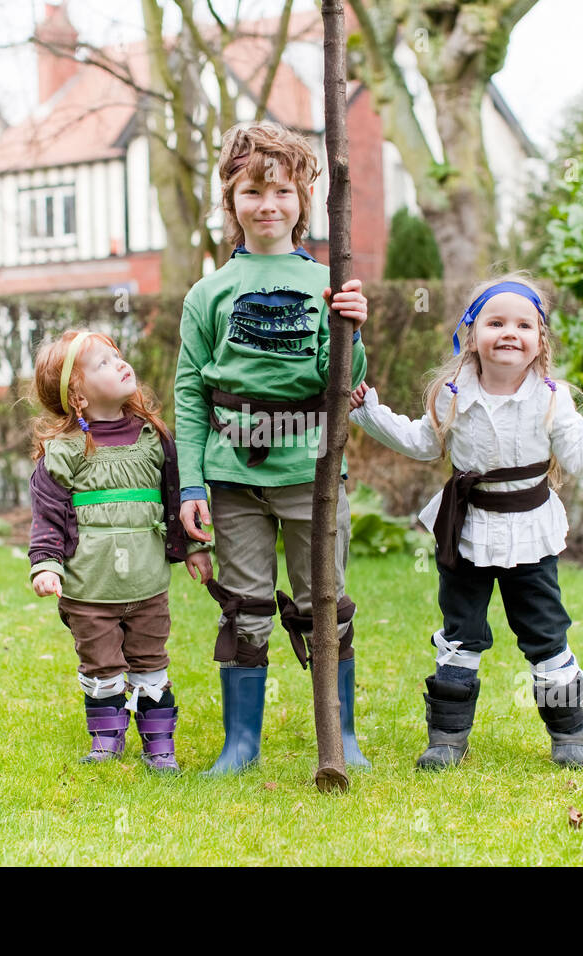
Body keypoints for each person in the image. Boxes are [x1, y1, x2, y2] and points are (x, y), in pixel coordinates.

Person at [348, 273, 583, 770]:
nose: (510, 332)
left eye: (524, 324)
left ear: (539, 340)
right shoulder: (452, 394)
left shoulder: (552, 398)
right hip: (468, 530)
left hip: (530, 532)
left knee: (545, 634)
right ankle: (447, 738)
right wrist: (370, 412)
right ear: (471, 333)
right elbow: (423, 442)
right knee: (460, 632)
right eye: (495, 321)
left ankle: (569, 736)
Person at [173, 121, 370, 774]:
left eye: (281, 191)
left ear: (303, 199)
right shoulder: (208, 294)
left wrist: (352, 328)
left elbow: (340, 378)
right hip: (234, 480)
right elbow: (189, 395)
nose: (267, 205)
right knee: (245, 608)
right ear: (230, 202)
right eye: (252, 192)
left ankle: (339, 738)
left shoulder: (325, 284)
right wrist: (193, 486)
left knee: (326, 606)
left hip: (311, 473)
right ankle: (241, 744)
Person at [28, 329, 211, 772]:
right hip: (90, 589)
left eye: (118, 356)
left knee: (152, 662)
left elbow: (173, 499)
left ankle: (159, 744)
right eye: (104, 364)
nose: (121, 364)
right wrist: (45, 565)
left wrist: (190, 547)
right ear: (78, 395)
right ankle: (107, 738)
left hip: (147, 585)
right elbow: (48, 515)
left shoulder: (153, 437)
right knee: (101, 666)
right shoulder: (65, 451)